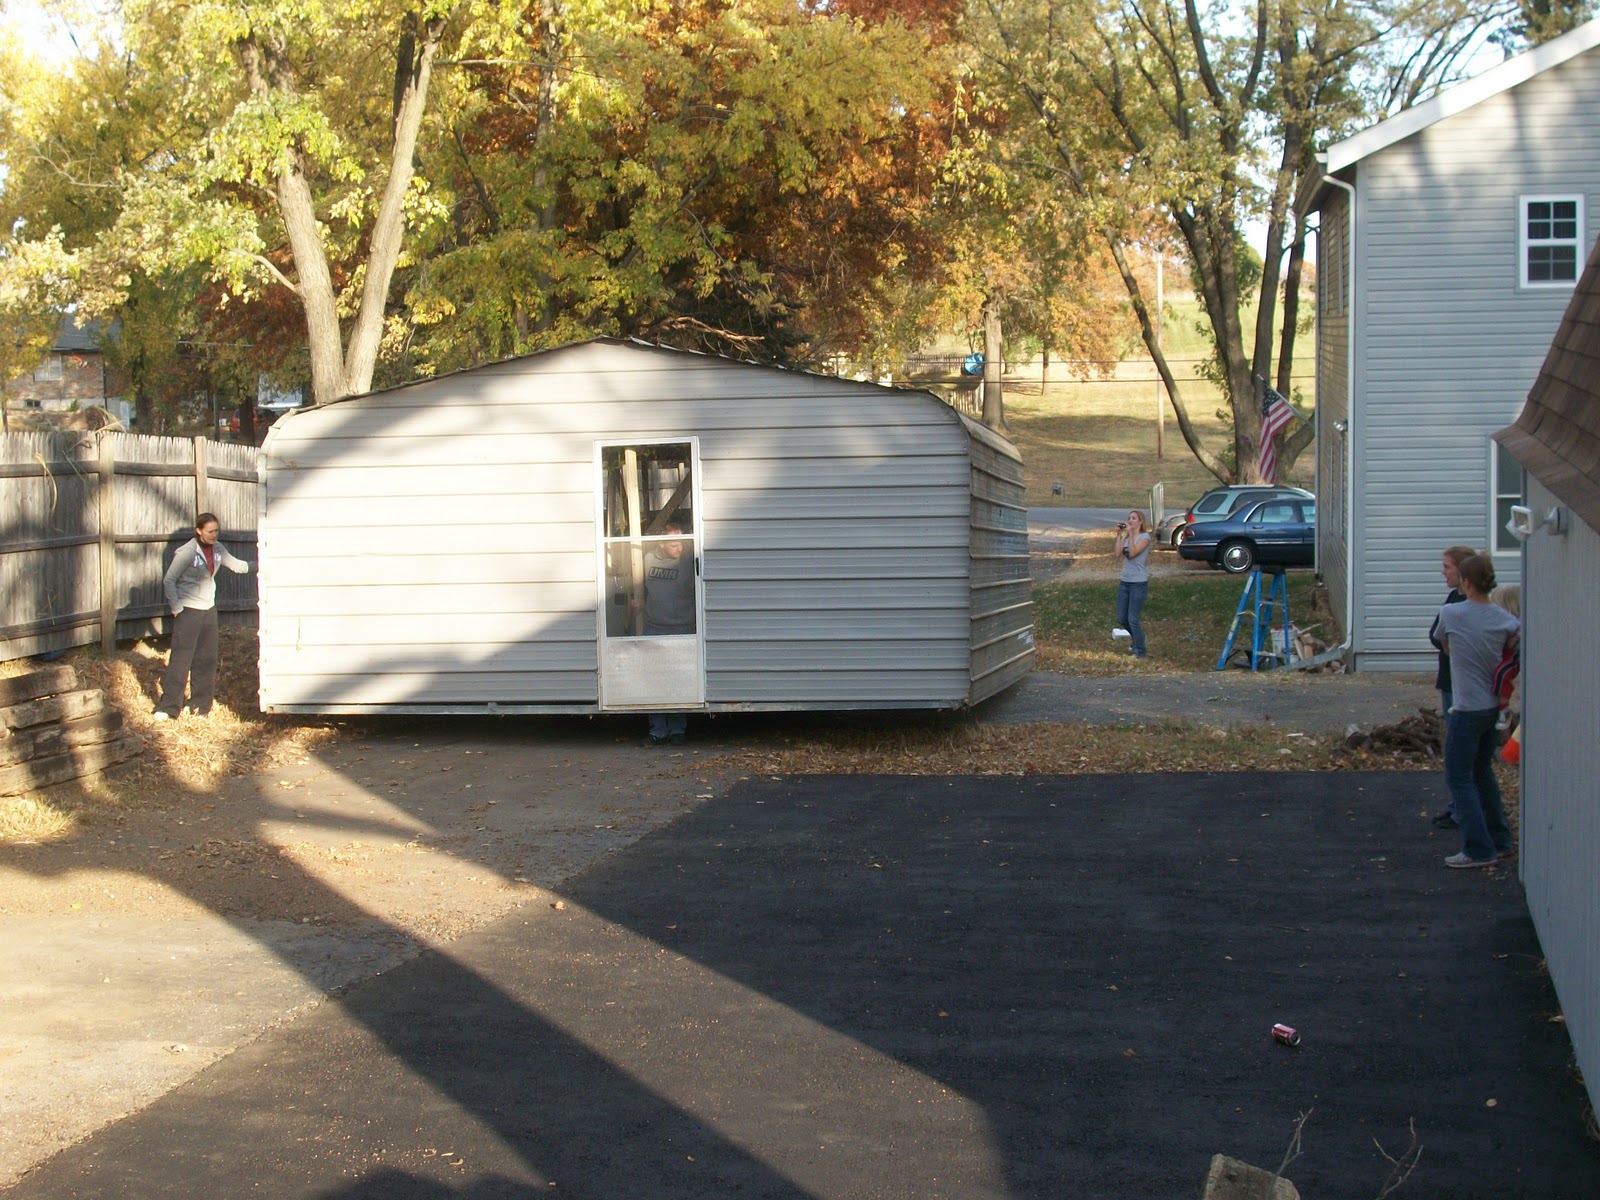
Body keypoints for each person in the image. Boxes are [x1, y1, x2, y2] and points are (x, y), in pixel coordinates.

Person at [1433, 555, 1520, 868]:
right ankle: (1501, 840)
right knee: (1483, 773)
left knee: (1459, 778)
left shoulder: (1451, 613)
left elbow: (1444, 645)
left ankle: (1478, 848)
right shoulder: (1506, 620)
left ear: (1465, 583)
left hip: (1466, 707)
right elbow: (1514, 641)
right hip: (1490, 707)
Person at [155, 513, 250, 721]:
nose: (214, 535)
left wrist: (260, 565)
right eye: (210, 531)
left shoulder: (217, 549)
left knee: (206, 659)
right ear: (198, 531)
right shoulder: (187, 552)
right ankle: (169, 707)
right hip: (188, 610)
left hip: (208, 609)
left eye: (216, 530)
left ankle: (200, 706)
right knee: (181, 659)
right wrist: (177, 608)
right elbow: (169, 580)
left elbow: (235, 564)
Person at [1426, 545, 1475, 829]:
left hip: (1464, 686)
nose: (1443, 572)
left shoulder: (1469, 604)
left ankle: (1466, 814)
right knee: (1453, 750)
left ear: (1462, 570)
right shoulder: (1452, 598)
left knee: (1462, 754)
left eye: (1447, 567)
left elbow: (1449, 638)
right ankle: (1457, 806)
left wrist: (1447, 642)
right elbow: (1436, 634)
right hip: (1449, 681)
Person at [635, 520, 695, 746]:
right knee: (655, 681)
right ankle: (658, 730)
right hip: (655, 627)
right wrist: (636, 603)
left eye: (680, 543)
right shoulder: (647, 560)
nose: (678, 548)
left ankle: (678, 730)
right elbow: (638, 587)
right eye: (673, 545)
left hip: (684, 628)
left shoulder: (689, 562)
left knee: (678, 680)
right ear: (660, 544)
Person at [1112, 509, 1153, 659]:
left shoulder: (1145, 537)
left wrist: (1130, 535)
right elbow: (1117, 553)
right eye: (1129, 518)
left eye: (1134, 518)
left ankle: (1140, 651)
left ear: (1140, 522)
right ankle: (1138, 638)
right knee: (1121, 617)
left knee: (1133, 618)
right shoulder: (1126, 537)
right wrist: (1119, 535)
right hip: (1125, 581)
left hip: (1138, 583)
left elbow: (1134, 553)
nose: (1130, 521)